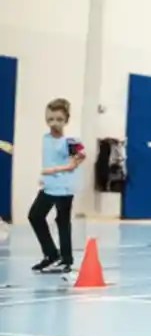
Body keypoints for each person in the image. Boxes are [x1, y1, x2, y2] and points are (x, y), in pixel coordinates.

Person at [30, 98, 85, 274]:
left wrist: (55, 170)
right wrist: (45, 177)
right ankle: (53, 255)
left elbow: (79, 159)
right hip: (49, 186)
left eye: (59, 119)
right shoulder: (45, 138)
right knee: (35, 216)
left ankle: (65, 260)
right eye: (50, 119)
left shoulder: (70, 141)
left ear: (66, 120)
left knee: (61, 221)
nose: (54, 123)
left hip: (64, 188)